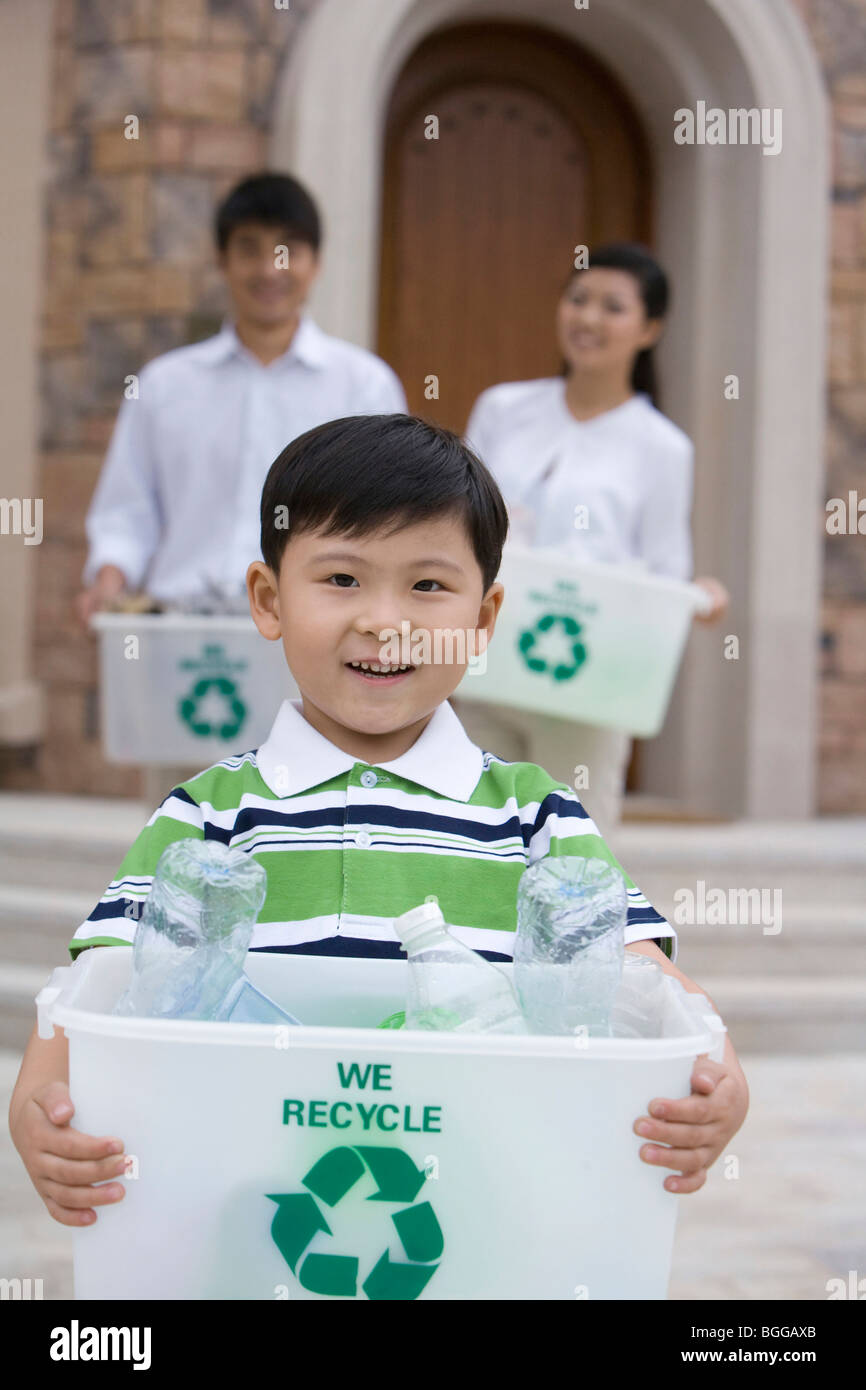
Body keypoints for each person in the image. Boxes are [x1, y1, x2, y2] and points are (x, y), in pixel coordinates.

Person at [11, 414, 748, 1229]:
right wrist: (40, 1106)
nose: (384, 621)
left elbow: (643, 980)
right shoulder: (205, 816)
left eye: (428, 587)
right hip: (240, 1220)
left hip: (482, 1223)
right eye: (343, 580)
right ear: (268, 599)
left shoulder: (537, 816)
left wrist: (720, 1079)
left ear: (485, 619)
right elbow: (95, 986)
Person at [460, 243, 729, 831]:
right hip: (489, 664)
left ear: (650, 328)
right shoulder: (505, 410)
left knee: (571, 851)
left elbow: (664, 569)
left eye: (613, 307)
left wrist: (699, 596)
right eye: (578, 299)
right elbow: (460, 524)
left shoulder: (661, 447)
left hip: (588, 683)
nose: (588, 318)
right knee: (474, 834)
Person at [76, 173, 407, 622]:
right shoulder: (164, 385)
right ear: (222, 260)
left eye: (288, 249)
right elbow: (127, 511)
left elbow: (383, 519)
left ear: (316, 262)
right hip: (176, 628)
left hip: (308, 632)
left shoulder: (364, 386)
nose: (269, 269)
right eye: (249, 248)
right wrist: (108, 582)